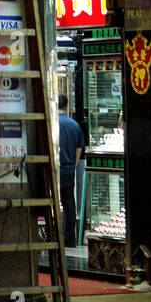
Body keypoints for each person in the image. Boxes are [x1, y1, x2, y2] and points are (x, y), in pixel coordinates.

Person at [57, 94, 84, 248]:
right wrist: (73, 166)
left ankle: (51, 238)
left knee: (52, 201)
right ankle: (70, 239)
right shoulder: (74, 125)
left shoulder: (53, 124)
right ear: (67, 107)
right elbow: (79, 149)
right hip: (68, 169)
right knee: (69, 204)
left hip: (56, 168)